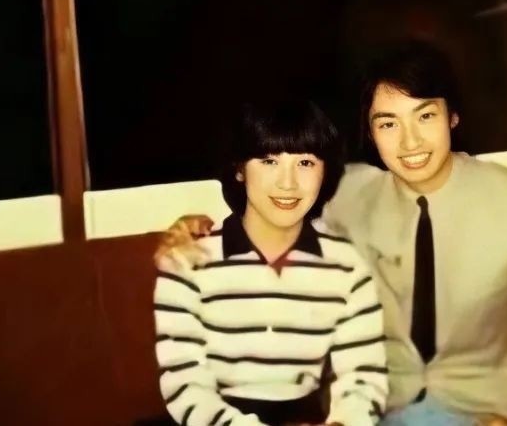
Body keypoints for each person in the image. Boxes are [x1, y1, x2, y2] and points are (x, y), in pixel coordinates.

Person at [158, 41, 507, 425]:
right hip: (373, 409)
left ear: (452, 116)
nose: (410, 142)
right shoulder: (347, 193)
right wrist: (193, 227)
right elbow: (275, 204)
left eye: (424, 116)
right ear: (371, 133)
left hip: (483, 411)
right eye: (388, 123)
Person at [152, 99, 387, 426]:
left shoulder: (347, 265)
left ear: (325, 173)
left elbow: (363, 376)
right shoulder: (187, 259)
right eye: (268, 161)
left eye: (305, 162)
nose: (287, 183)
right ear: (239, 169)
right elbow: (185, 384)